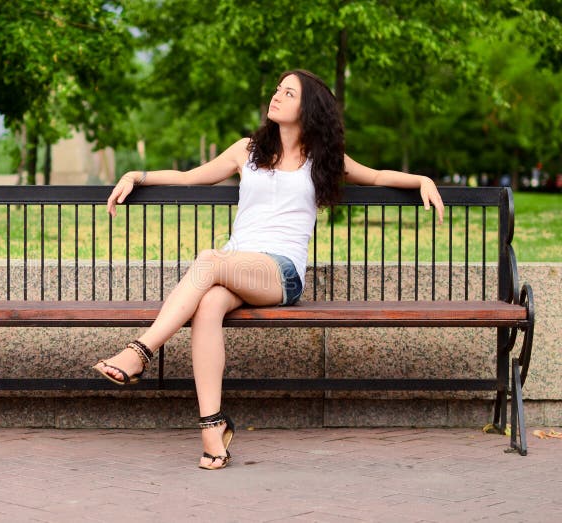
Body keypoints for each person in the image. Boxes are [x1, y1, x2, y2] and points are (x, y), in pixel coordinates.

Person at [93, 69, 445, 470]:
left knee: (209, 260)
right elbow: (191, 177)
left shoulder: (321, 158)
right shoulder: (247, 150)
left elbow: (377, 175)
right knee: (207, 307)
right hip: (236, 263)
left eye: (288, 92)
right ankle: (213, 428)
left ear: (307, 108)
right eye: (278, 89)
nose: (276, 96)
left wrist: (421, 180)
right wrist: (136, 176)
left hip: (280, 272)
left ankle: (140, 351)